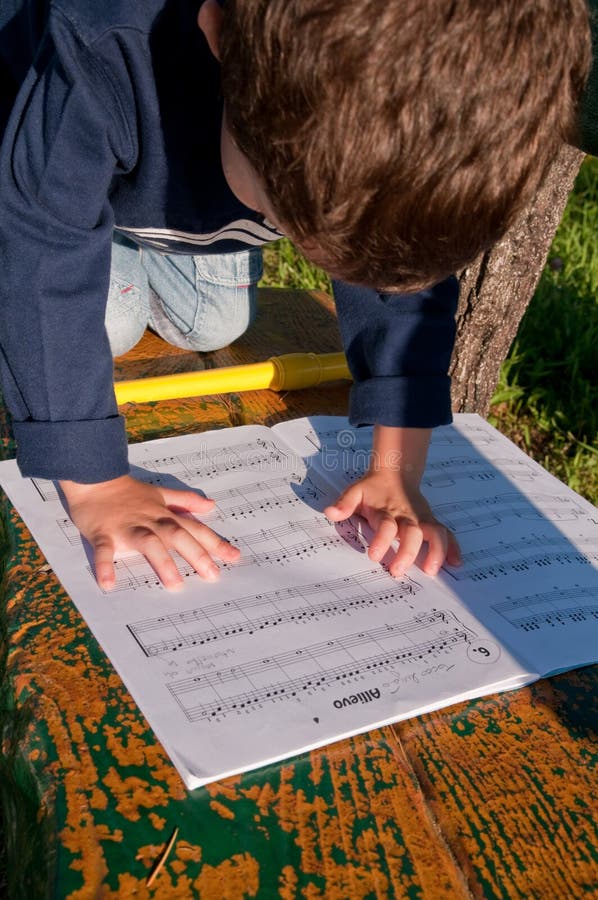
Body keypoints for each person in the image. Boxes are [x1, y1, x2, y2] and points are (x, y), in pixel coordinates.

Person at [0, 0, 592, 591]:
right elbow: (38, 246)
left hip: (177, 180)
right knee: (109, 324)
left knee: (211, 324)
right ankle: (107, 232)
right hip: (49, 163)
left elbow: (400, 285)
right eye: (286, 215)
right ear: (219, 33)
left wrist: (395, 470)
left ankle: (131, 232)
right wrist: (97, 484)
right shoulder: (105, 41)